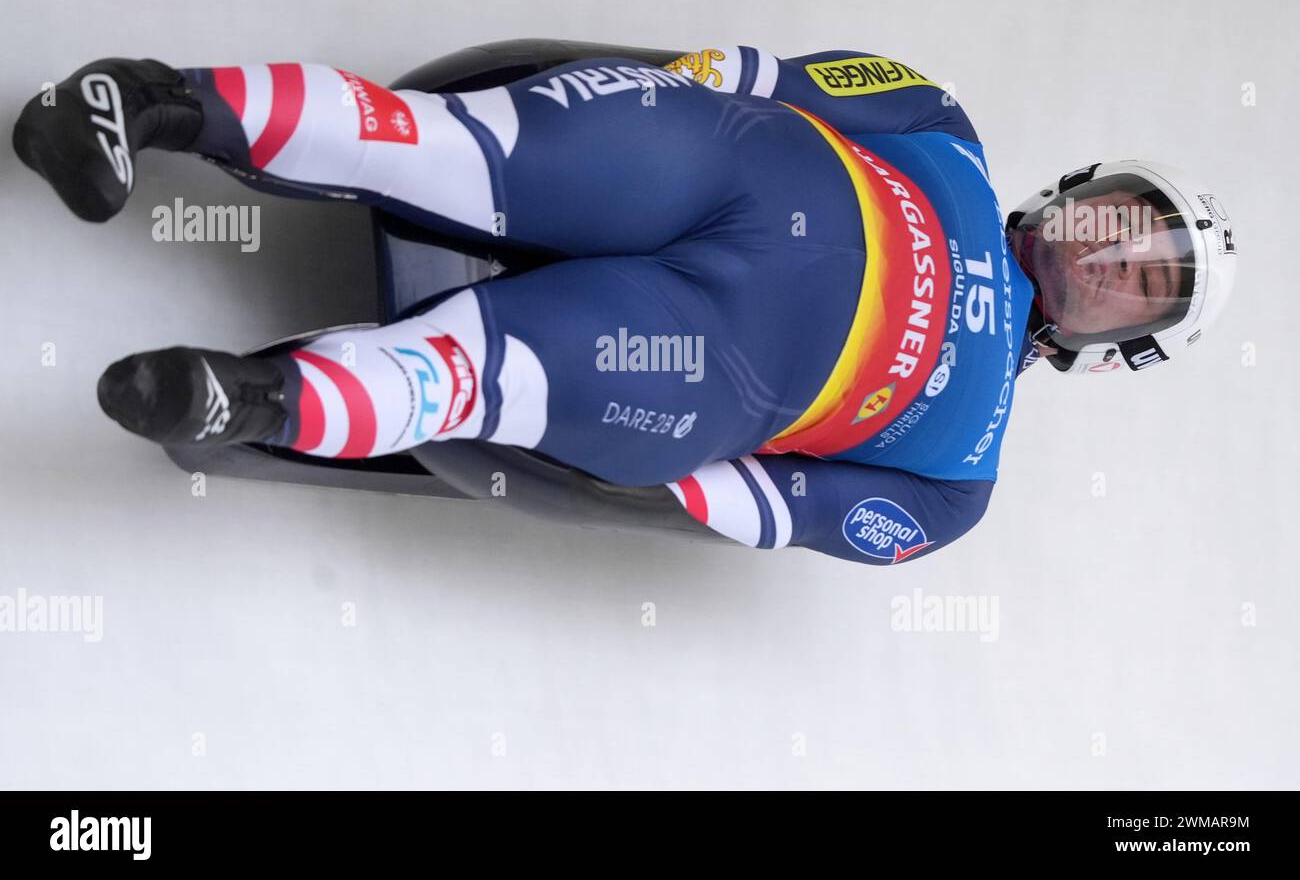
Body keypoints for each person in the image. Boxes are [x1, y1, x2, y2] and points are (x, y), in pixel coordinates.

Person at [11, 45, 1237, 564]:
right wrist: (633, 105)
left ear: (1117, 347)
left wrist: (657, 442)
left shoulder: (954, 488)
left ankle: (250, 396)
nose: (1118, 252)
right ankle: (141, 103)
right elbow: (746, 73)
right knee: (448, 150)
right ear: (1083, 189)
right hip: (715, 164)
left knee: (491, 377)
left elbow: (750, 507)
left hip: (714, 358)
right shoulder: (936, 116)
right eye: (1129, 217)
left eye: (1146, 281)